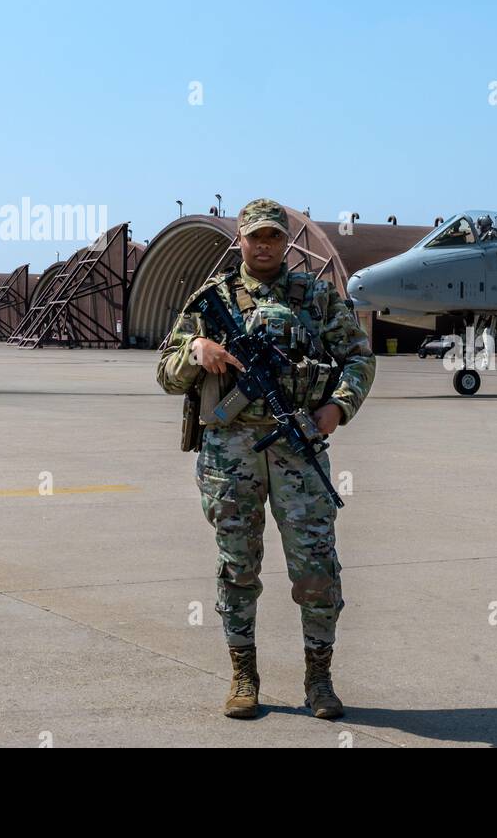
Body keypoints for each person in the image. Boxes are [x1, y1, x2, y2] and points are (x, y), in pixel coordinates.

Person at [156, 198, 375, 720]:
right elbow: (165, 374)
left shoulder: (317, 298)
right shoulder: (210, 300)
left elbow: (359, 358)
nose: (264, 245)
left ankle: (319, 680)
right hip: (230, 456)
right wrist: (196, 353)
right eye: (255, 236)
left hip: (299, 447)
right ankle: (243, 674)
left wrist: (337, 408)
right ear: (241, 238)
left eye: (273, 237)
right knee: (237, 566)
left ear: (284, 242)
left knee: (317, 568)